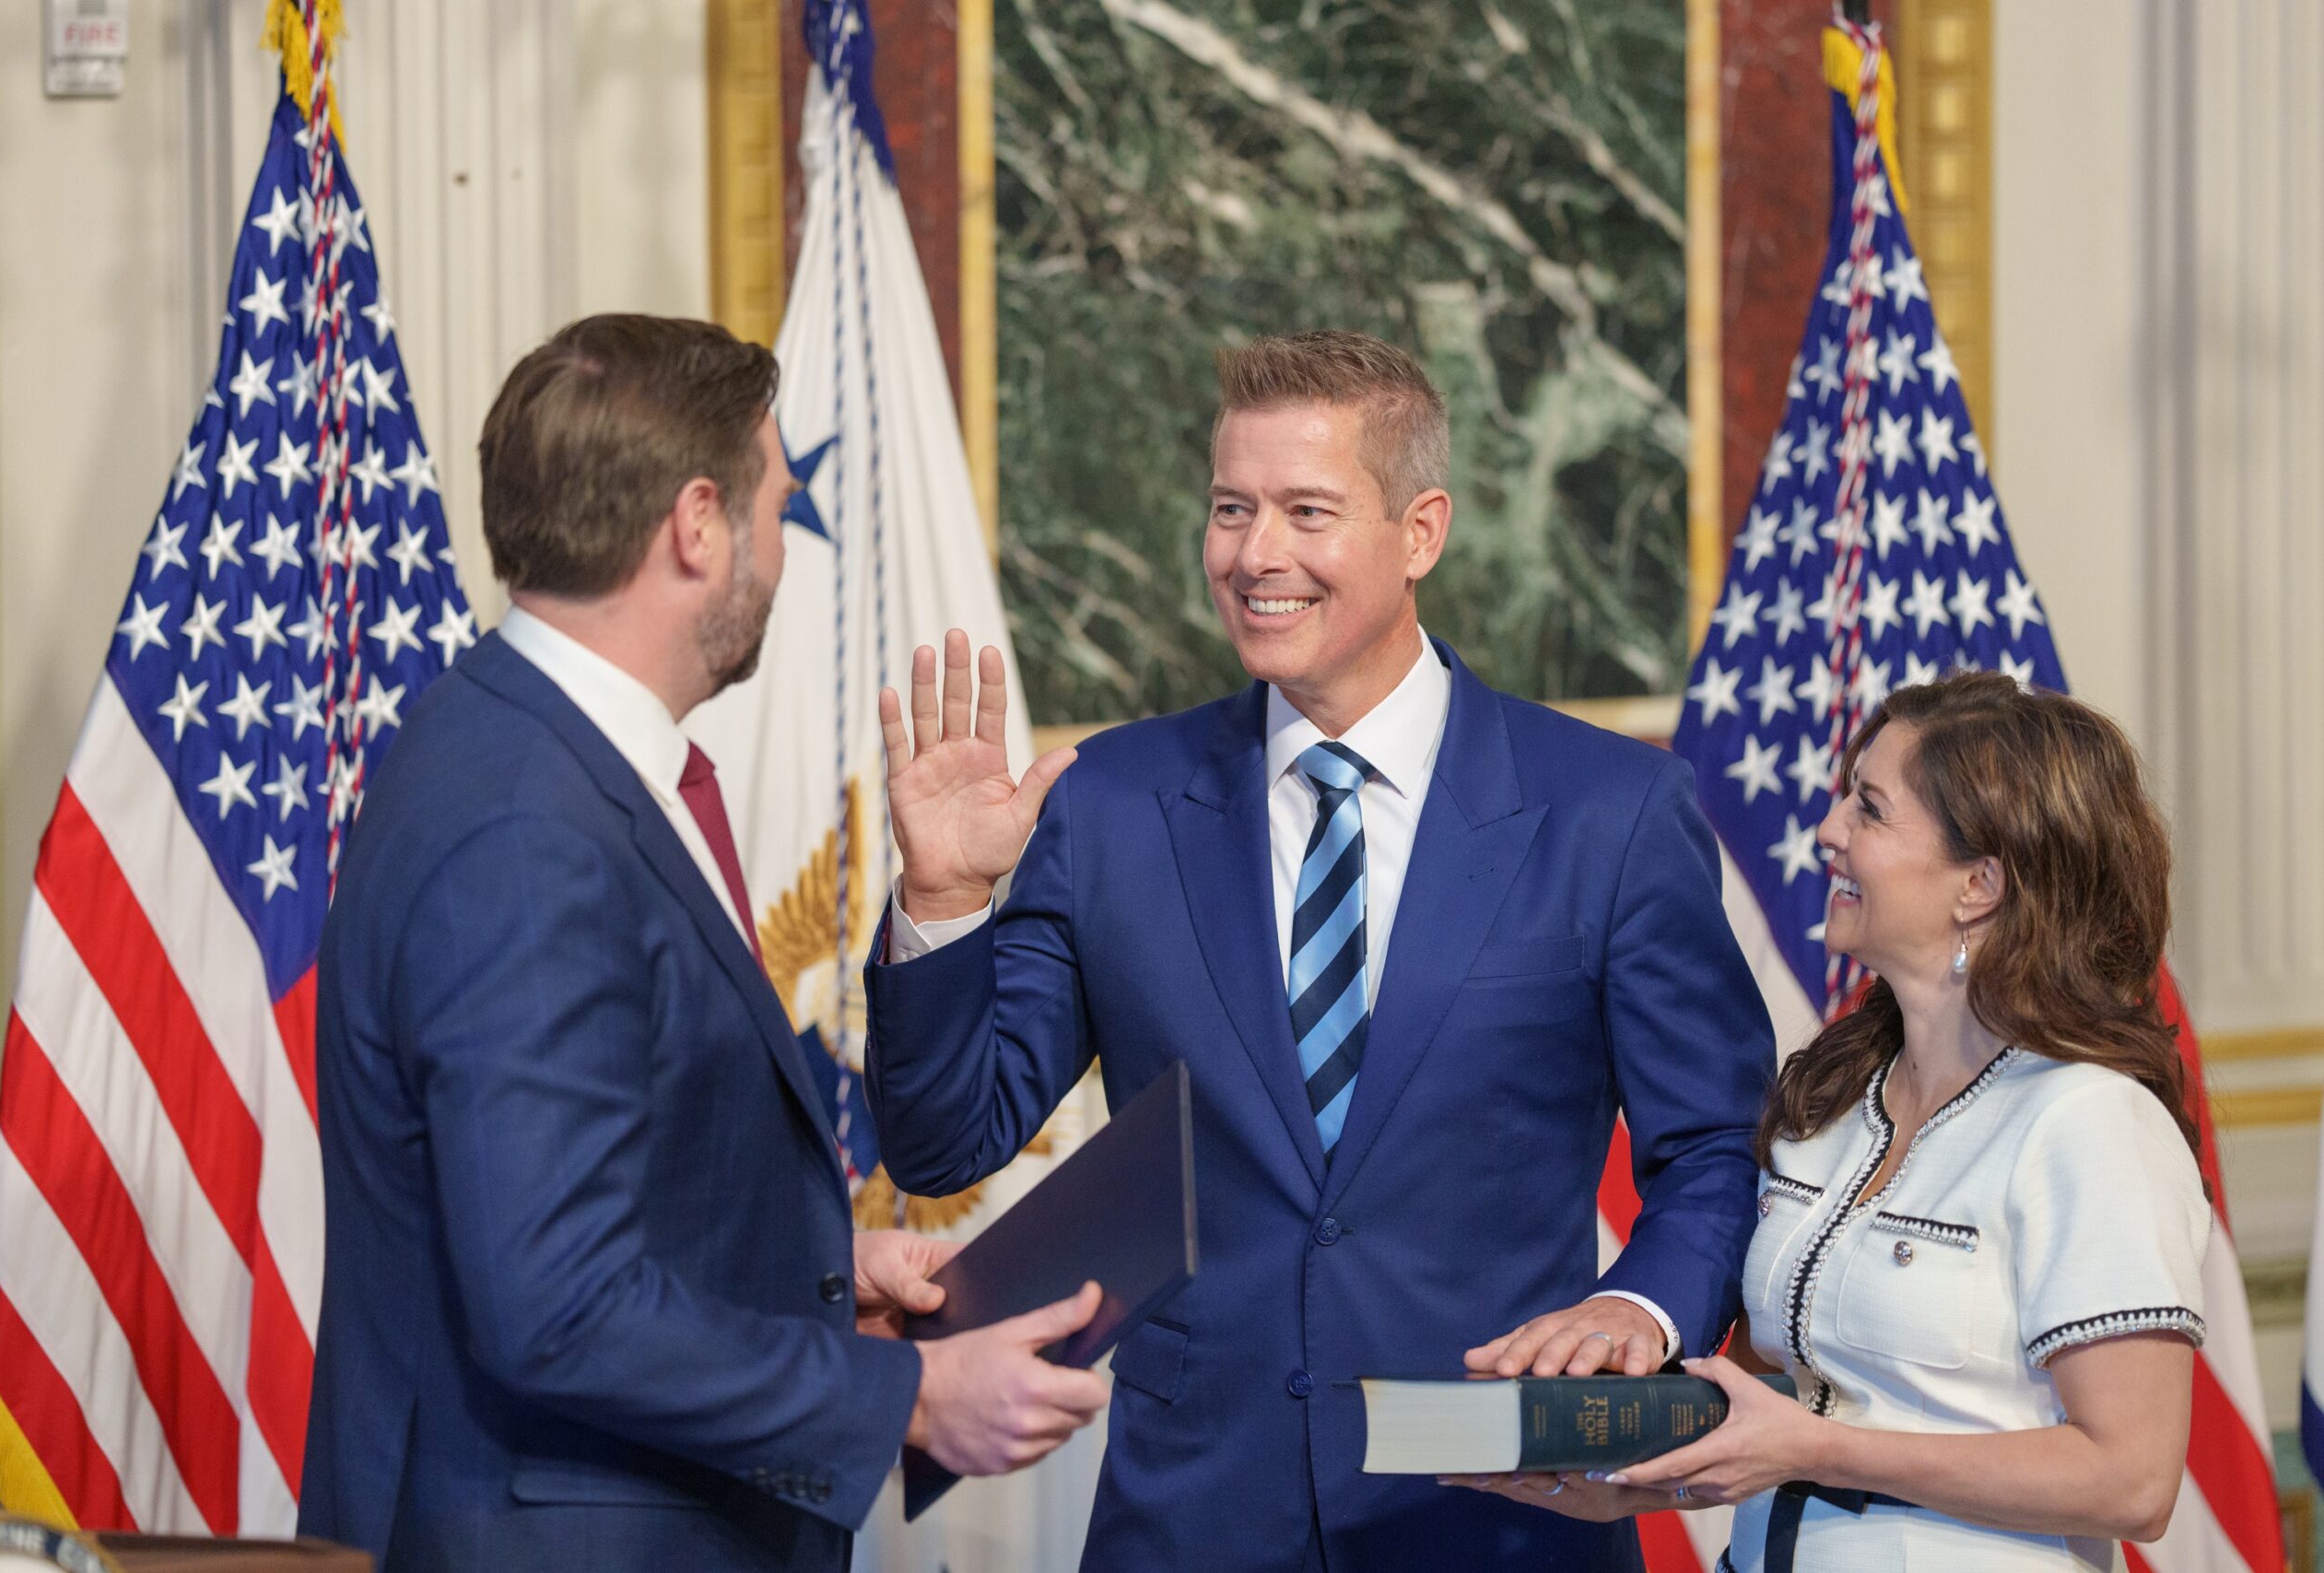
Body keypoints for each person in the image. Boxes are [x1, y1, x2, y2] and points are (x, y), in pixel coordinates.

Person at [863, 329, 1776, 1570]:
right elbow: (941, 1139)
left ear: (1422, 531)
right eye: (1231, 508)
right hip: (1190, 1523)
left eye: (1306, 509)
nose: (1255, 554)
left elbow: (1716, 1145)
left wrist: (1642, 1303)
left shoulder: (1611, 812)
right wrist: (941, 896)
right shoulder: (1111, 802)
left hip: (1501, 1522)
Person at [299, 314, 1109, 1573]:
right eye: (776, 509)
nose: (781, 556)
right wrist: (902, 1398)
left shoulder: (512, 747)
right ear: (695, 524)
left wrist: (816, 1265)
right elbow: (556, 1303)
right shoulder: (528, 826)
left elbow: (535, 1193)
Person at [1463, 672, 2210, 1572]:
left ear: (1978, 885)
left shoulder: (2090, 1121)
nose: (1827, 833)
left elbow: (2129, 1481)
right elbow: (1803, 1407)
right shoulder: (1833, 1107)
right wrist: (1634, 1479)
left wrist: (1815, 1450)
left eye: (1870, 809)